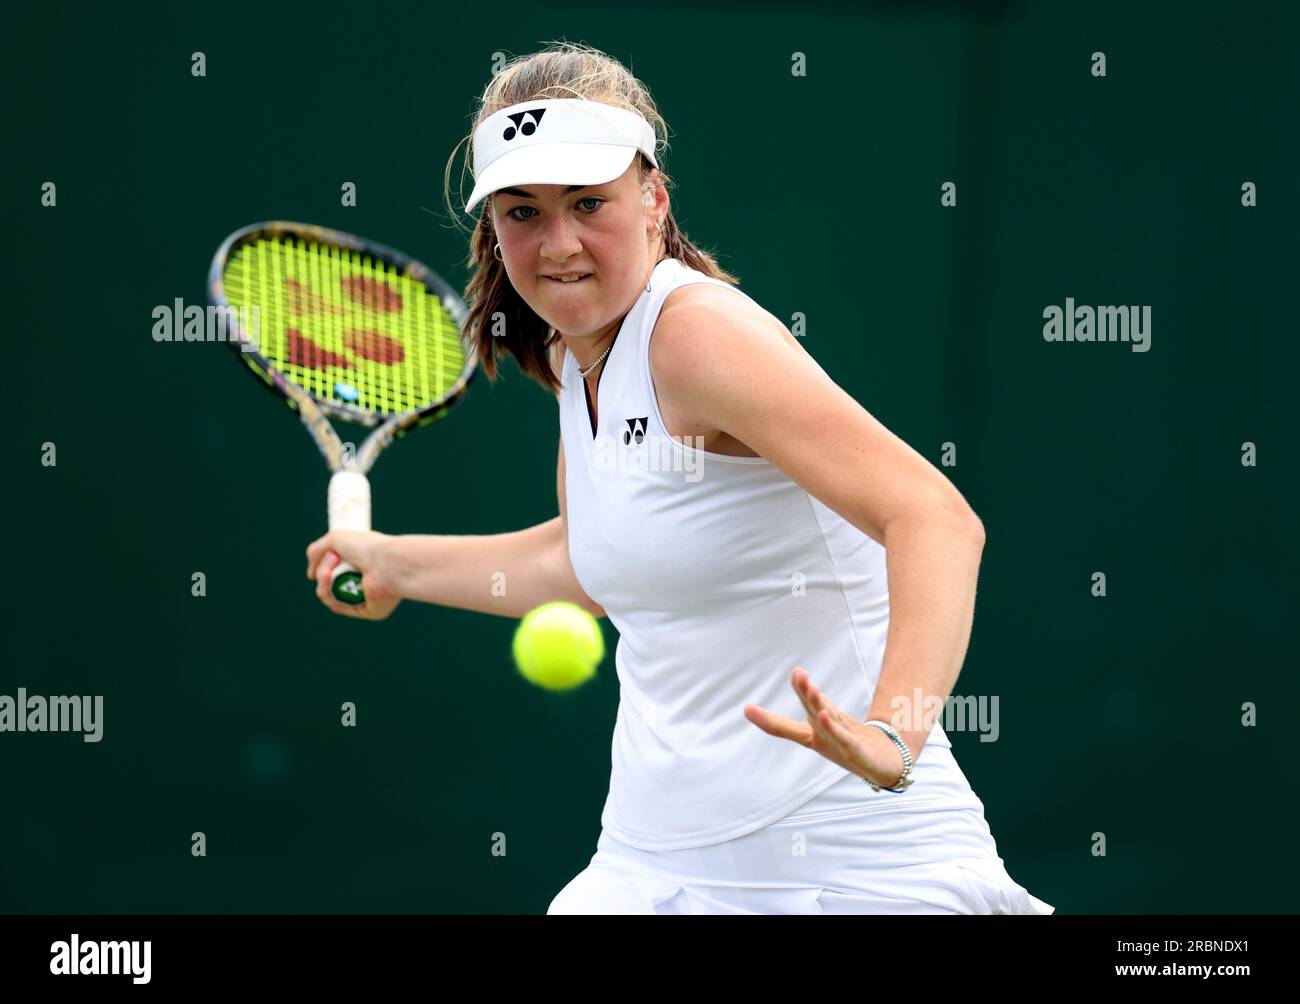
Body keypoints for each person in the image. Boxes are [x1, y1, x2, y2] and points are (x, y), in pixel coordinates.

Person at [305, 43, 1053, 915]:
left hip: (853, 866)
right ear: (493, 229)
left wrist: (895, 728)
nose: (560, 243)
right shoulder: (572, 355)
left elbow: (933, 515)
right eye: (524, 211)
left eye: (590, 203)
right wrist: (397, 563)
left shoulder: (695, 337)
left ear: (653, 201)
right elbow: (587, 561)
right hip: (652, 864)